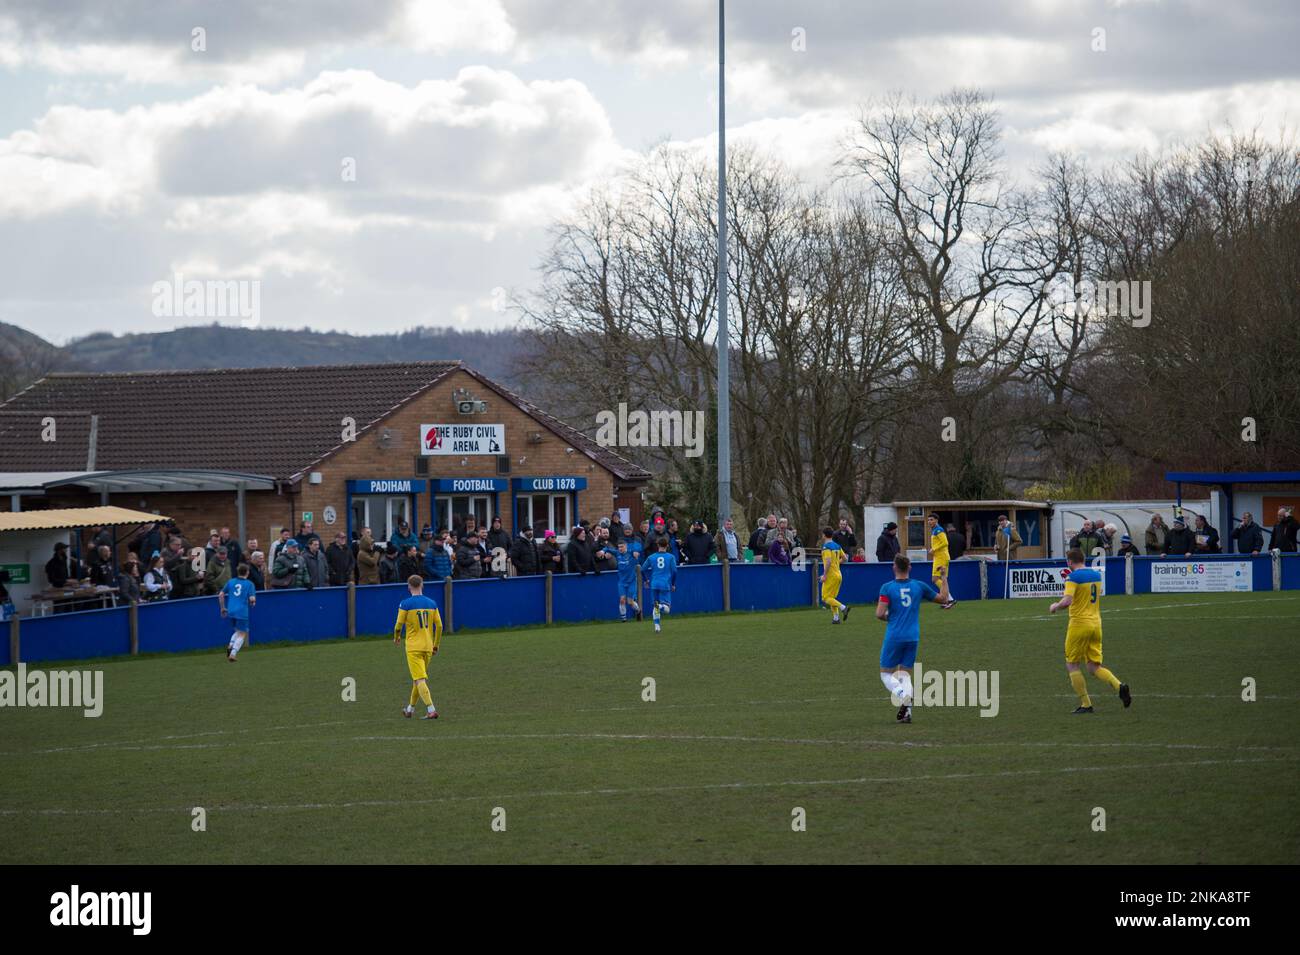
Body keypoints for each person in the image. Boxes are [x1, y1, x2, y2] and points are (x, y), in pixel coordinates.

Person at [1050, 548, 1130, 715]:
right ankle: (1119, 685)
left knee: (1072, 664)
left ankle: (1086, 704)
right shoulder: (1096, 575)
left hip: (1079, 625)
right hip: (1096, 624)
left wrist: (1056, 606)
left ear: (1070, 562)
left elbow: (1068, 601)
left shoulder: (1073, 577)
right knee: (1094, 666)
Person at [875, 554, 952, 724]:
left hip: (894, 636)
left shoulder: (887, 588)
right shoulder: (919, 586)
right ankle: (907, 714)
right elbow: (944, 599)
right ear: (909, 567)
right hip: (913, 636)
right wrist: (943, 577)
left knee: (886, 674)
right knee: (904, 674)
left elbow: (879, 614)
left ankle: (905, 697)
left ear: (894, 567)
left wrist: (891, 617)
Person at [394, 575, 442, 720]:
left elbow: (398, 625)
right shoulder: (432, 603)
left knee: (419, 679)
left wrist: (396, 637)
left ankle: (431, 709)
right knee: (418, 679)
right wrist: (436, 644)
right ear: (422, 585)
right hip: (428, 646)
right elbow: (439, 626)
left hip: (414, 647)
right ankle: (410, 709)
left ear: (409, 587)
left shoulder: (405, 604)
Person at [219, 563, 257, 662]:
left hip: (231, 610)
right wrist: (253, 603)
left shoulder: (231, 582)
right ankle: (233, 654)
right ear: (247, 572)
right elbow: (252, 599)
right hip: (242, 611)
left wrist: (223, 608)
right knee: (243, 634)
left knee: (237, 631)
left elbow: (221, 594)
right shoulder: (249, 584)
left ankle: (231, 645)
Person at [641, 537, 677, 634]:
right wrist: (673, 584)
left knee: (655, 606)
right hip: (665, 584)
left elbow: (642, 569)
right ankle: (660, 606)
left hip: (654, 584)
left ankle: (657, 627)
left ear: (658, 545)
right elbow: (674, 571)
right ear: (667, 545)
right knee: (667, 609)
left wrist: (646, 580)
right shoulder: (671, 557)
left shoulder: (651, 557)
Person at [818, 527, 849, 624]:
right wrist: (836, 564)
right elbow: (845, 559)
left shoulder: (826, 547)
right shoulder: (837, 546)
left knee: (826, 598)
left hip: (831, 575)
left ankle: (843, 608)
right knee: (831, 598)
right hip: (839, 574)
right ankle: (836, 618)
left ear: (823, 535)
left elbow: (828, 561)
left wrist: (824, 575)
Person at [606, 538, 642, 622]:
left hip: (632, 581)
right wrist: (603, 551)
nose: (620, 549)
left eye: (622, 547)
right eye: (619, 547)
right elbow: (608, 549)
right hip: (622, 582)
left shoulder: (631, 553)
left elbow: (639, 545)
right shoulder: (617, 553)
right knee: (622, 599)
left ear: (626, 546)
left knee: (630, 602)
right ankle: (623, 619)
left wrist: (636, 552)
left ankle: (638, 611)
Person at [925, 514, 950, 594]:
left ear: (936, 520)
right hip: (940, 556)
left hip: (941, 557)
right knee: (943, 579)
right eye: (928, 520)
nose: (929, 522)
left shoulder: (938, 530)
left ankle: (949, 598)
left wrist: (934, 549)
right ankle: (947, 599)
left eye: (931, 520)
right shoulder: (935, 530)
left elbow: (945, 542)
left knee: (935, 579)